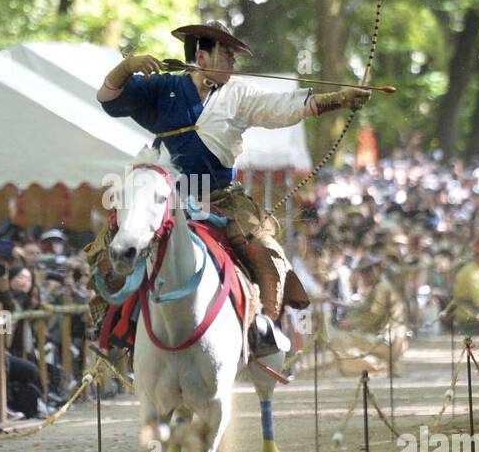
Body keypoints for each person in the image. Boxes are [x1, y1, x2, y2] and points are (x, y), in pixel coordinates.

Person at [90, 19, 368, 355]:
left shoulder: (239, 94)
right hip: (164, 197)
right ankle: (113, 327)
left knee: (264, 248)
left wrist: (339, 98)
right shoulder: (163, 88)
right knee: (117, 240)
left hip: (219, 198)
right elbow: (107, 98)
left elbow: (284, 107)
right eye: (227, 56)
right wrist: (128, 66)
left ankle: (262, 325)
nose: (233, 65)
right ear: (202, 59)